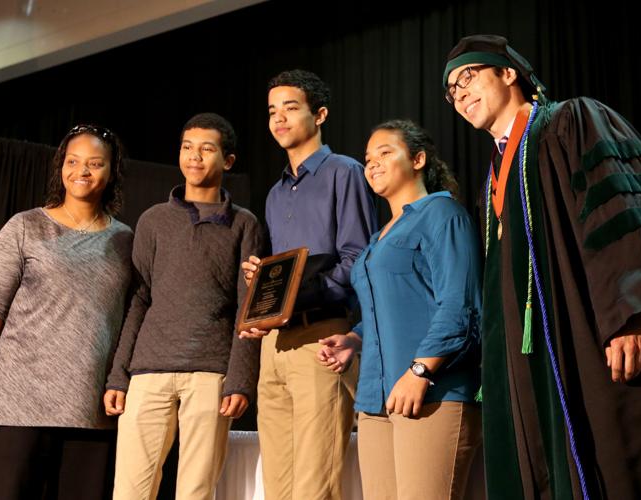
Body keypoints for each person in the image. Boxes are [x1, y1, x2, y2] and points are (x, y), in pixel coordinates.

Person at [443, 34, 641, 499]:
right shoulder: (493, 175)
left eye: (468, 77)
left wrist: (630, 312)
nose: (460, 93)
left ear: (509, 73)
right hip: (538, 364)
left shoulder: (571, 121)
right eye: (452, 90)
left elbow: (624, 214)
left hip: (595, 336)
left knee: (625, 457)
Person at [0, 124, 133, 499]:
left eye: (94, 163)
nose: (81, 171)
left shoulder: (126, 240)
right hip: (20, 407)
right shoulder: (25, 227)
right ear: (60, 167)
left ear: (111, 171)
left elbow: (134, 320)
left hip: (93, 411)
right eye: (72, 161)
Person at [316, 119, 483, 499]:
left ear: (419, 159)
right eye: (367, 158)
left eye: (385, 153)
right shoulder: (379, 237)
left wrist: (420, 370)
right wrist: (354, 338)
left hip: (432, 393)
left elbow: (461, 305)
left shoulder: (443, 215)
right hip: (377, 398)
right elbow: (392, 304)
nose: (372, 163)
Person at [103, 113, 263, 500]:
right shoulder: (153, 220)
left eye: (207, 149)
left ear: (227, 161)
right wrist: (117, 376)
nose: (195, 156)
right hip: (148, 372)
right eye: (187, 147)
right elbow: (139, 298)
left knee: (196, 490)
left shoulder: (244, 224)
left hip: (210, 374)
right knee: (130, 489)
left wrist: (240, 379)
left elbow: (249, 305)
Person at [239, 69, 378, 500]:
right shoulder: (275, 193)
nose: (279, 118)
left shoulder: (345, 172)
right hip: (275, 345)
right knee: (277, 485)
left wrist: (295, 294)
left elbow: (358, 259)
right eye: (271, 111)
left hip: (322, 338)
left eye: (290, 107)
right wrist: (263, 288)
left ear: (319, 114)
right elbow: (289, 271)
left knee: (315, 486)